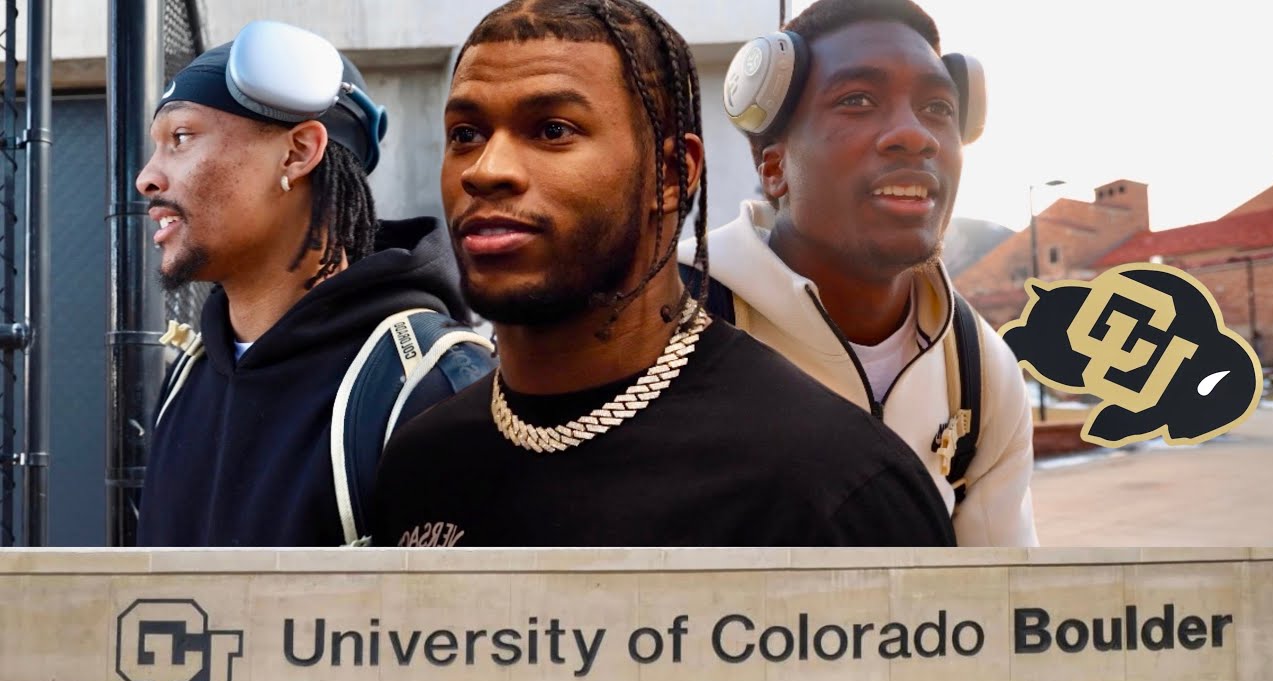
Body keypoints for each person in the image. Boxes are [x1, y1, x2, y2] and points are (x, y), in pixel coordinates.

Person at [371, 0, 956, 548]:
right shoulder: (419, 463)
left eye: (552, 130)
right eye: (466, 135)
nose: (485, 170)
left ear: (672, 174)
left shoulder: (835, 484)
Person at [678, 0, 1037, 545]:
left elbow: (999, 588)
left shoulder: (979, 370)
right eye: (857, 100)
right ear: (775, 168)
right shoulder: (662, 321)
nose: (916, 135)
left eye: (938, 107)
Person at [135, 22, 489, 547]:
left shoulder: (429, 383)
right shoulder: (189, 375)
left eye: (181, 138)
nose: (146, 178)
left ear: (298, 152)